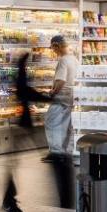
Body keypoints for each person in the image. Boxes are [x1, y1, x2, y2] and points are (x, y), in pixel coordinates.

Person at [1, 49, 52, 212]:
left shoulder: (19, 76)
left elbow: (26, 92)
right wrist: (48, 98)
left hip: (21, 124)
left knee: (13, 163)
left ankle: (9, 199)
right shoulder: (21, 78)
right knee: (13, 163)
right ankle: (9, 200)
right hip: (21, 125)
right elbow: (27, 92)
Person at [43, 35, 78, 163]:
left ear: (57, 45)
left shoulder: (63, 60)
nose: (53, 51)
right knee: (66, 124)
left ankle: (56, 152)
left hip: (61, 96)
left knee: (51, 122)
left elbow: (61, 80)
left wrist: (53, 91)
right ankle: (66, 152)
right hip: (71, 96)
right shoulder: (74, 59)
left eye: (53, 48)